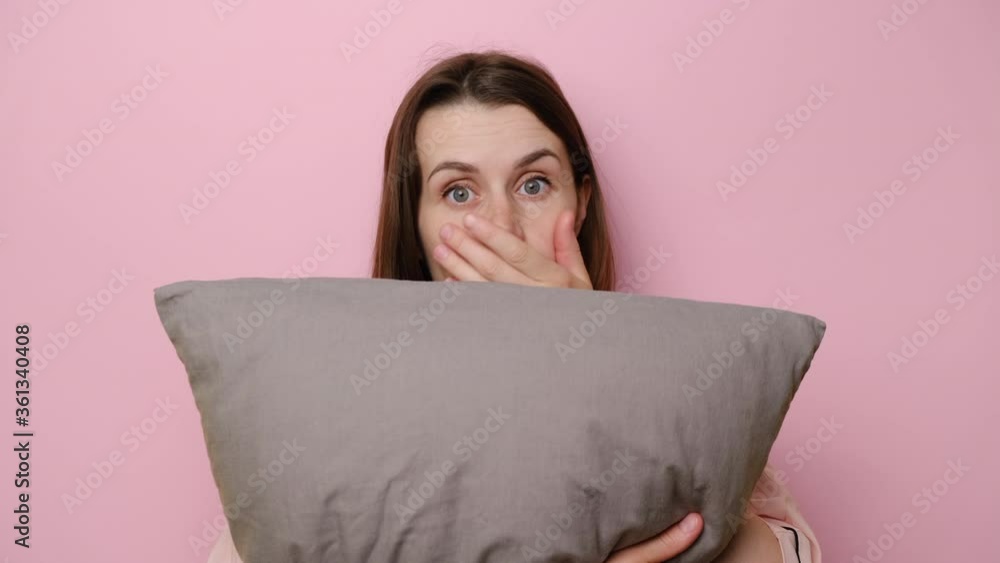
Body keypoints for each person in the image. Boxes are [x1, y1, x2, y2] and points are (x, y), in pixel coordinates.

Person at [207, 49, 821, 563]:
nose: (502, 224)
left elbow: (776, 550)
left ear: (580, 202)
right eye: (458, 192)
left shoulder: (683, 399)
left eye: (534, 184)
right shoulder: (333, 425)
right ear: (415, 226)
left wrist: (595, 352)